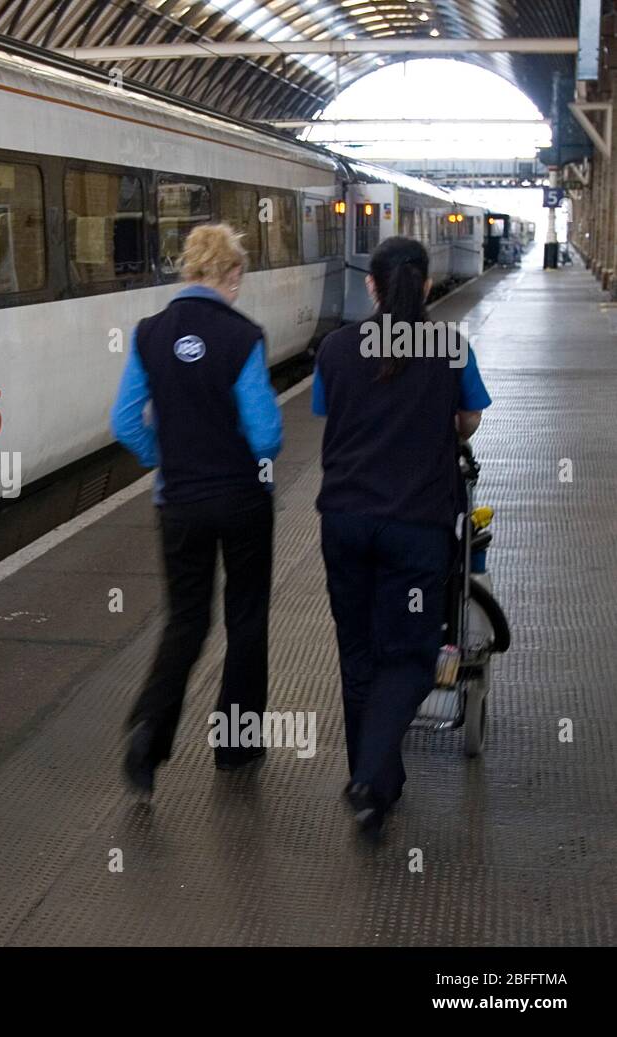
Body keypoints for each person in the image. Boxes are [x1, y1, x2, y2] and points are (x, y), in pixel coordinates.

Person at [312, 236, 491, 836]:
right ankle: (369, 775)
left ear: (373, 285)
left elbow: (329, 410)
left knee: (357, 652)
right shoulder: (449, 345)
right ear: (426, 283)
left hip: (344, 522)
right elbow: (469, 418)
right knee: (412, 657)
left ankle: (375, 789)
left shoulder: (337, 347)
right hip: (414, 528)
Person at [110, 223, 282, 800]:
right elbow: (266, 434)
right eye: (239, 279)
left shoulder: (149, 334)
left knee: (185, 620)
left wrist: (169, 457)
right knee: (247, 617)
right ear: (230, 275)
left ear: (189, 271)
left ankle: (148, 737)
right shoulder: (244, 335)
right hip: (241, 501)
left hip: (178, 503)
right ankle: (236, 747)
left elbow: (125, 422)